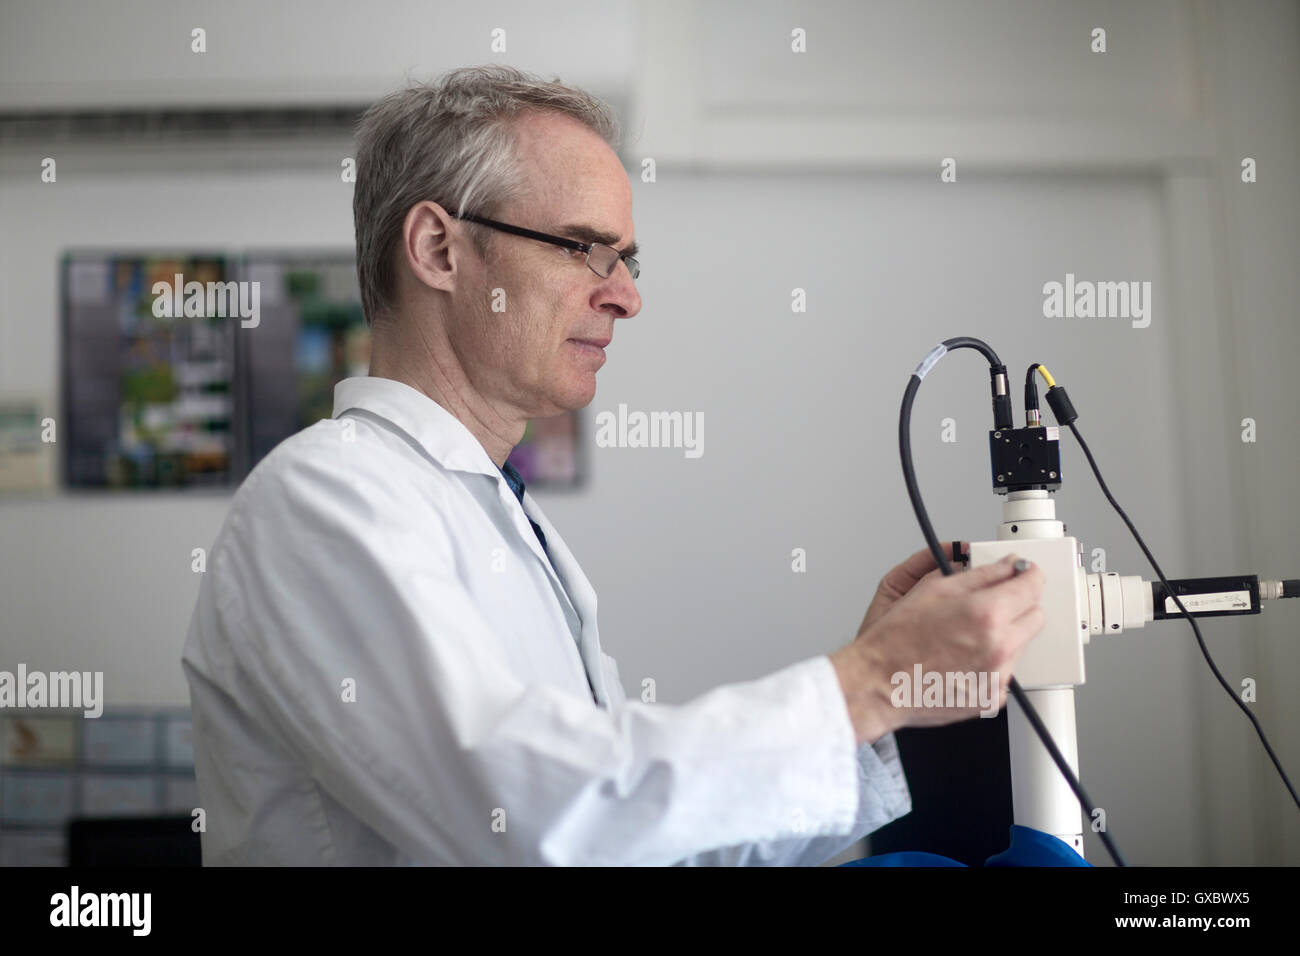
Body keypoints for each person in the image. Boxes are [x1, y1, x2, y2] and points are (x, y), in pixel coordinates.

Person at [181, 65, 1046, 865]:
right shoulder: (324, 499)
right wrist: (867, 682)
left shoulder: (504, 520)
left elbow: (641, 839)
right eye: (584, 248)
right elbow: (527, 816)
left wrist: (884, 697)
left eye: (627, 260)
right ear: (440, 251)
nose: (626, 295)